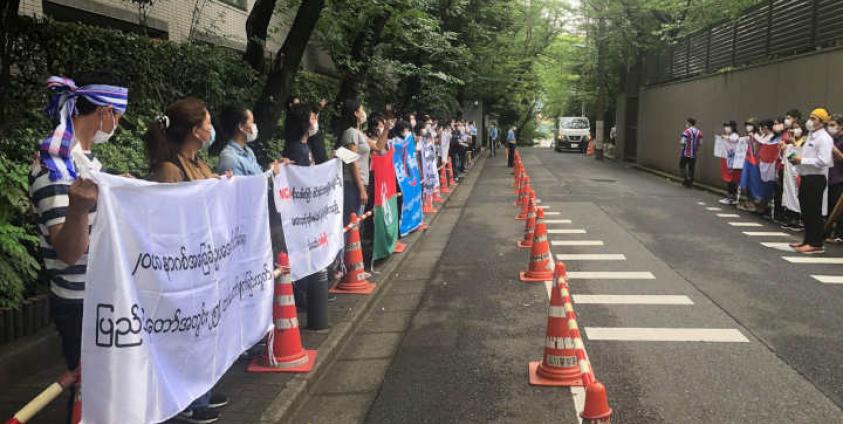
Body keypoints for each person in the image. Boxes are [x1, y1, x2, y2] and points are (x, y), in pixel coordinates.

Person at [29, 72, 128, 424]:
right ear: (103, 113)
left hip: (98, 296)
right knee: (92, 390)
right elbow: (68, 253)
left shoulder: (84, 163)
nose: (115, 124)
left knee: (106, 387)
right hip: (80, 303)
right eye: (116, 116)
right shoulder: (55, 167)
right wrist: (78, 208)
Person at [143, 97, 229, 423]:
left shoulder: (197, 162)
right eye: (208, 123)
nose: (212, 129)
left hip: (205, 264)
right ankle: (189, 400)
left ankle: (202, 389)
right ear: (196, 130)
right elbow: (162, 224)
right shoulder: (169, 169)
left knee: (205, 332)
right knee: (188, 336)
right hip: (184, 267)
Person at [789, 108, 833, 254]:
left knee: (814, 211)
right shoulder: (812, 136)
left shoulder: (824, 138)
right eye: (810, 117)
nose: (810, 121)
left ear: (822, 122)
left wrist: (802, 160)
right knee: (807, 211)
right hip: (807, 177)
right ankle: (807, 240)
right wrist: (798, 163)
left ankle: (816, 243)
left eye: (814, 119)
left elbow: (824, 160)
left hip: (816, 178)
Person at [339, 99, 370, 226]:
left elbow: (378, 147)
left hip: (361, 182)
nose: (364, 112)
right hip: (353, 184)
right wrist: (362, 190)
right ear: (356, 113)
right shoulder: (350, 133)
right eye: (362, 109)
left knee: (356, 222)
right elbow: (353, 163)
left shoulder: (359, 133)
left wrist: (385, 129)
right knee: (352, 222)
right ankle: (349, 246)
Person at [781, 120, 806, 231]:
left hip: (799, 173)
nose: (794, 130)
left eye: (797, 127)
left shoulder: (805, 140)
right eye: (793, 128)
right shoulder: (791, 142)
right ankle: (790, 218)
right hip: (789, 173)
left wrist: (793, 144)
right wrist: (784, 147)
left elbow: (801, 154)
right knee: (789, 194)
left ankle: (798, 219)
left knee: (797, 194)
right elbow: (787, 156)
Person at [825, 114, 843, 242]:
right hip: (830, 176)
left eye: (833, 125)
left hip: (840, 178)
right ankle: (831, 231)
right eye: (829, 125)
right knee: (831, 206)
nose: (830, 128)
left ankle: (839, 234)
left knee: (839, 208)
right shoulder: (832, 139)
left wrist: (835, 151)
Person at [717, 121, 741, 205]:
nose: (726, 128)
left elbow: (735, 139)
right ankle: (730, 196)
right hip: (729, 159)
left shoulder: (734, 135)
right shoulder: (728, 136)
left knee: (732, 179)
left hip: (734, 160)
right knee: (729, 179)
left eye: (728, 127)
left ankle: (732, 197)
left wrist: (725, 138)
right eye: (725, 127)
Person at [679, 117, 702, 188]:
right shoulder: (699, 132)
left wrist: (682, 147)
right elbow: (700, 143)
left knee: (682, 165)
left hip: (685, 152)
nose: (686, 124)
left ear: (689, 123)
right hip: (694, 154)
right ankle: (690, 181)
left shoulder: (686, 131)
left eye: (687, 123)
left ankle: (686, 179)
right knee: (691, 168)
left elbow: (683, 141)